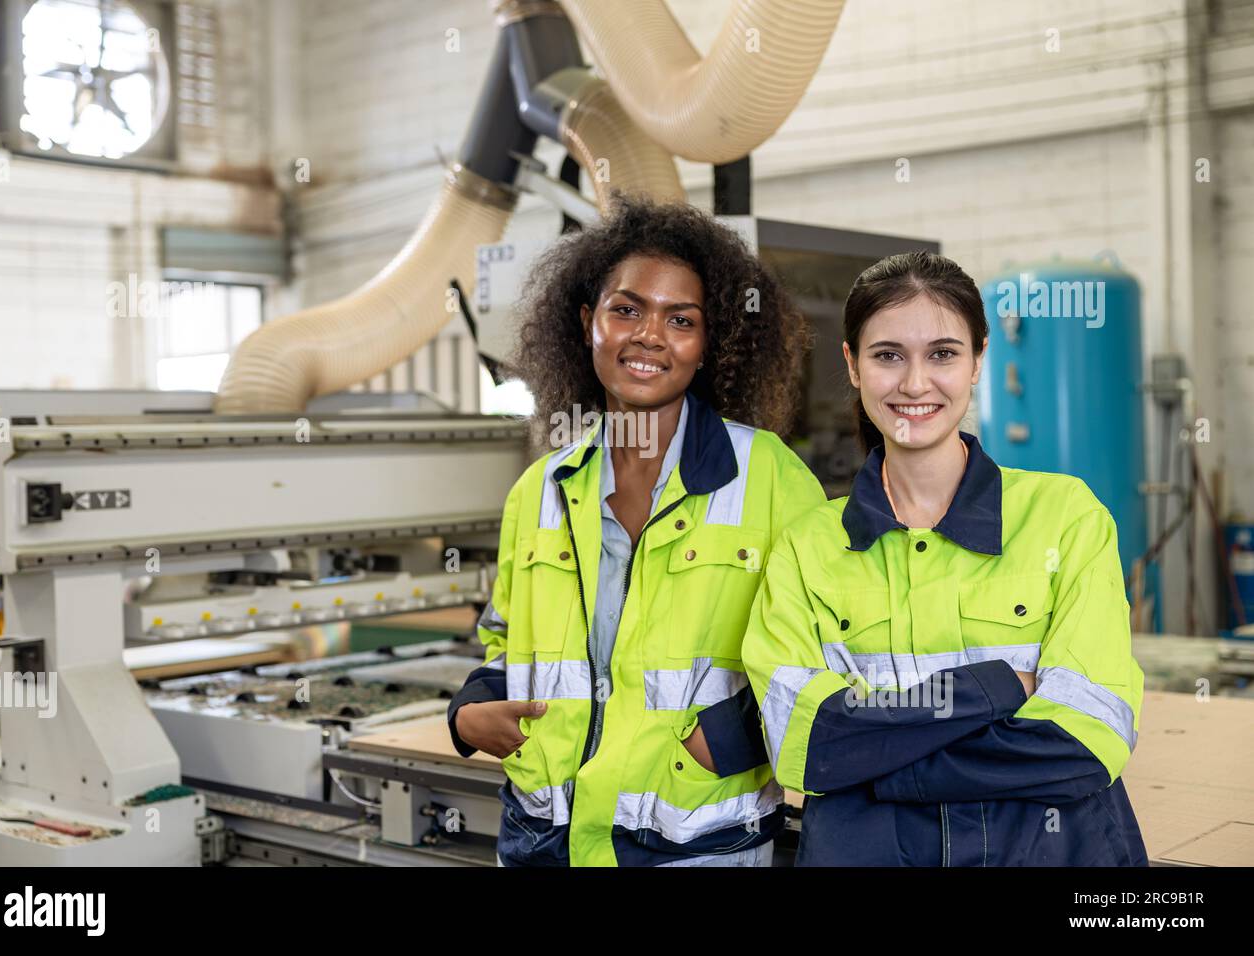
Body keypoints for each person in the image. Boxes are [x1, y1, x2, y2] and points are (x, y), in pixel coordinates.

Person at [447, 195, 825, 866]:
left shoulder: (769, 478)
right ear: (590, 322)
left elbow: (829, 653)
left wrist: (723, 741)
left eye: (681, 319)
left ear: (708, 345)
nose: (649, 335)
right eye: (627, 309)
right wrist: (472, 708)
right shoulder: (539, 490)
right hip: (545, 838)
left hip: (695, 843)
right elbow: (505, 640)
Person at [741, 250, 1149, 866]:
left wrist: (880, 763)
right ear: (852, 365)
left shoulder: (1066, 518)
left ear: (979, 360)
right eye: (887, 356)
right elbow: (807, 745)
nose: (913, 383)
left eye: (942, 354)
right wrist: (997, 688)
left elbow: (1085, 740)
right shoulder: (808, 547)